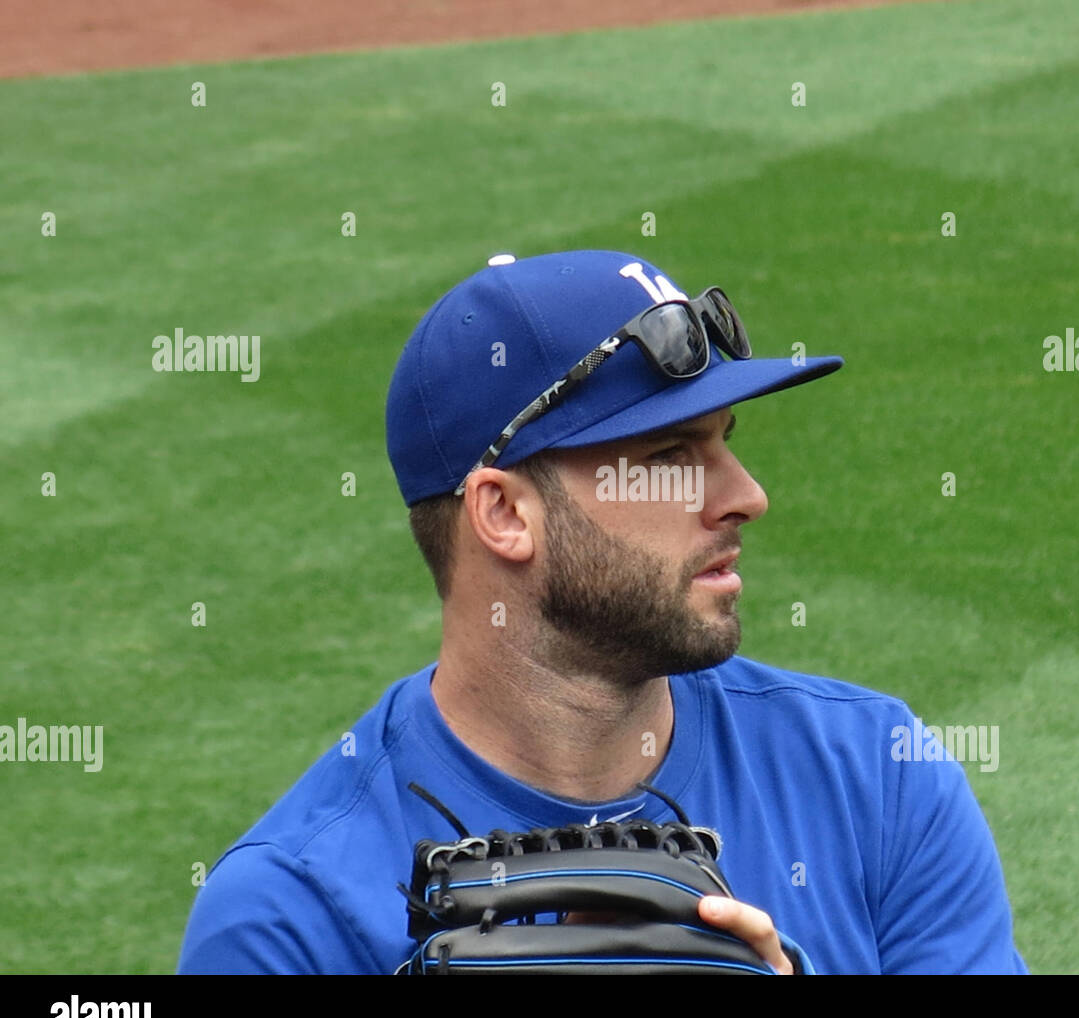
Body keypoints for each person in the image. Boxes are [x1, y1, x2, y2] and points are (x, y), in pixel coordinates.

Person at [177, 249, 1028, 975]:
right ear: (504, 513)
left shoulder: (876, 777)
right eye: (668, 456)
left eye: (724, 440)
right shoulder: (289, 917)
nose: (746, 495)